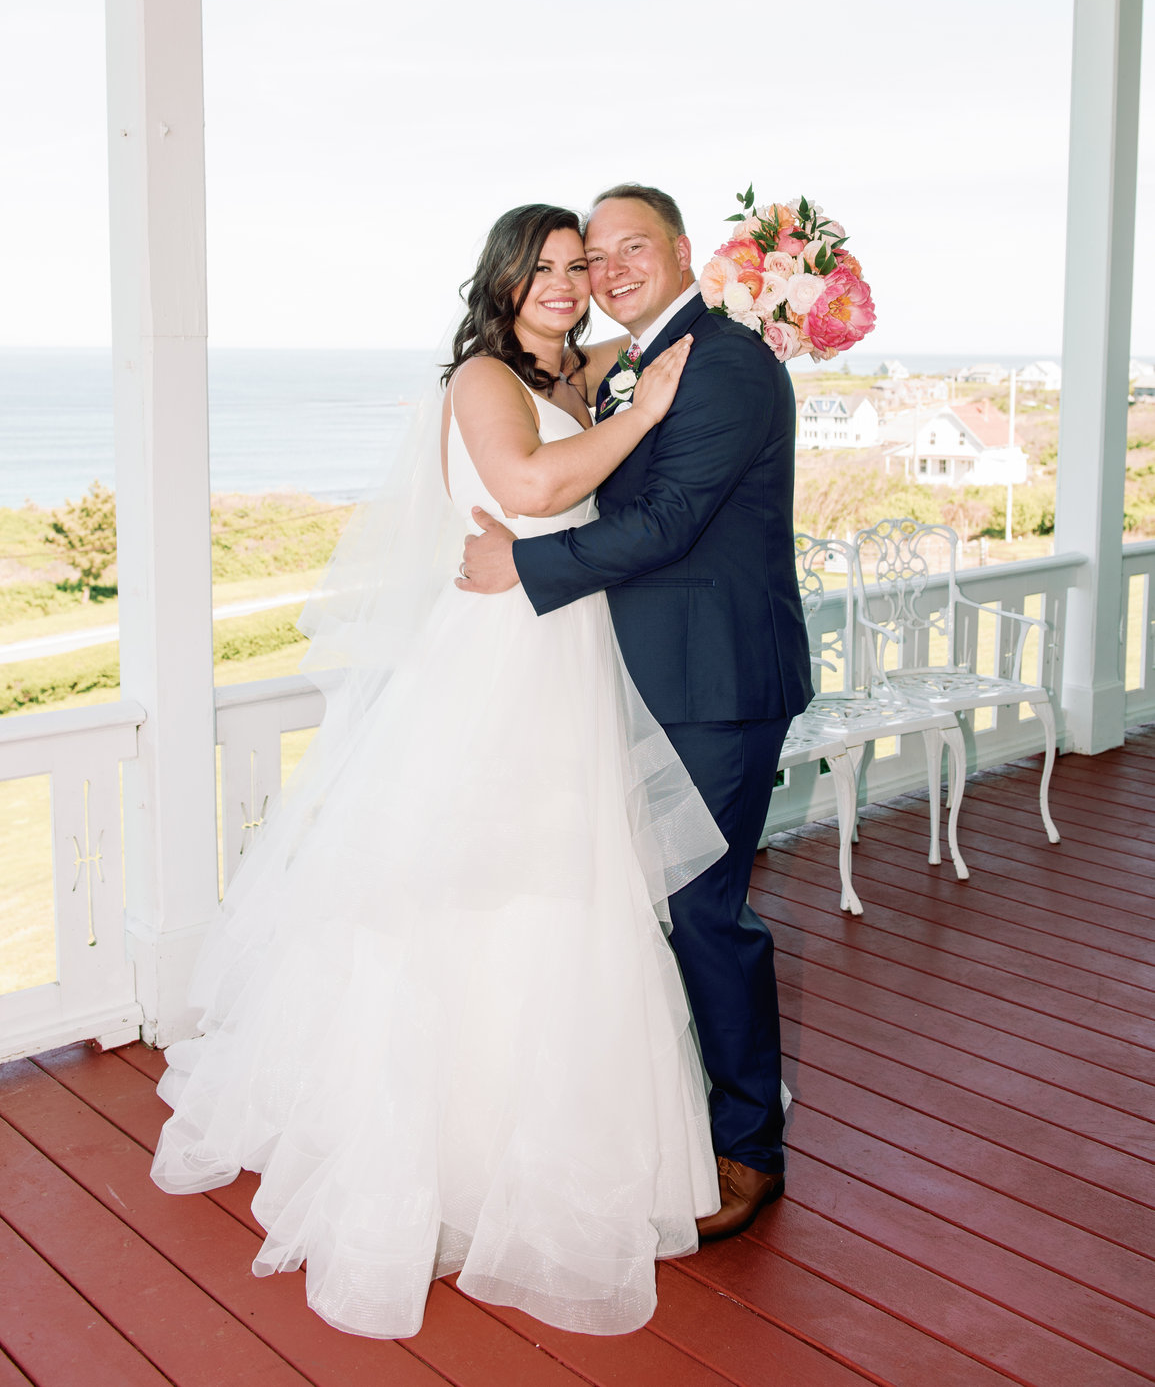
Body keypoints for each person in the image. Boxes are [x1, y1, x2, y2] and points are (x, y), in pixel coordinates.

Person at [151, 203, 730, 1341]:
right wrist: (647, 411)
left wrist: (727, 312)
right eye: (544, 268)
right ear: (502, 281)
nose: (566, 283)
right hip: (502, 655)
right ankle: (438, 1161)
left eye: (580, 266)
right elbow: (529, 491)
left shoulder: (571, 370)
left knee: (567, 894)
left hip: (564, 648)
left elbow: (642, 333)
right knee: (473, 891)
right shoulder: (482, 376)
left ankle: (545, 1149)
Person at [460, 183, 814, 1240]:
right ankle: (677, 1117)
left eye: (625, 249)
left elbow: (662, 523)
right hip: (645, 674)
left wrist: (522, 565)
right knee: (648, 913)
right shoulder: (630, 363)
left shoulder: (724, 364)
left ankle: (749, 1147)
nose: (603, 271)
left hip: (717, 684)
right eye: (584, 256)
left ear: (681, 250)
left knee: (705, 915)